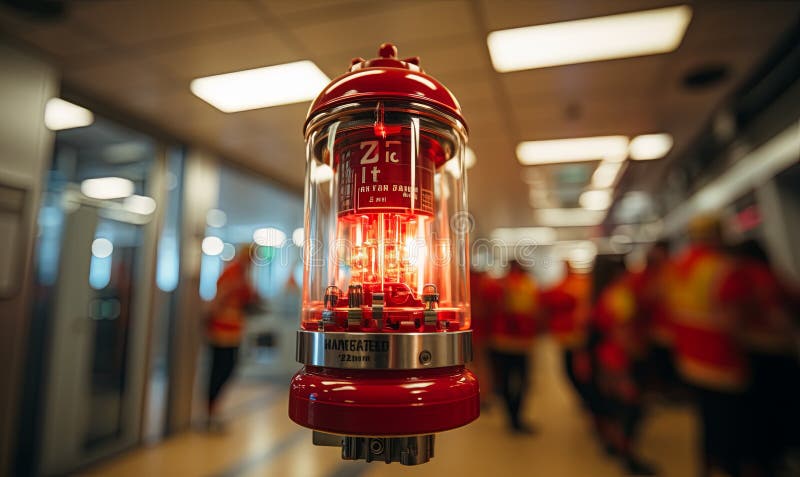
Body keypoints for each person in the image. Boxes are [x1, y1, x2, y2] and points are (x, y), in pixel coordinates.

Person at [666, 214, 747, 477]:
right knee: (731, 427)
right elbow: (736, 323)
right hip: (722, 362)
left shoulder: (676, 268)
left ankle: (707, 466)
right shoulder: (723, 268)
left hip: (690, 358)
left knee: (708, 420)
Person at [729, 239, 800, 475]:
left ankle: (766, 460)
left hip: (754, 351)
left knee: (761, 410)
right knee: (786, 404)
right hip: (780, 351)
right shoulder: (771, 275)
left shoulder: (740, 278)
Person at [592, 258, 656, 476]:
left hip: (607, 356)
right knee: (631, 408)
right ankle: (629, 456)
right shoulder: (620, 295)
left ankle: (616, 444)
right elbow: (623, 330)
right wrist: (639, 352)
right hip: (622, 360)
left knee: (616, 406)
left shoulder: (602, 294)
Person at [205, 245, 257, 430]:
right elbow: (219, 299)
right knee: (219, 370)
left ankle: (214, 409)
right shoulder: (232, 274)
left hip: (234, 331)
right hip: (221, 331)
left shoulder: (244, 276)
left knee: (229, 368)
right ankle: (210, 411)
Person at [488, 260, 540, 434]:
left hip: (502, 341)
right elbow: (534, 311)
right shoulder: (527, 284)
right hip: (519, 342)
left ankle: (512, 418)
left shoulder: (501, 284)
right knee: (521, 381)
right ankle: (516, 418)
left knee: (506, 381)